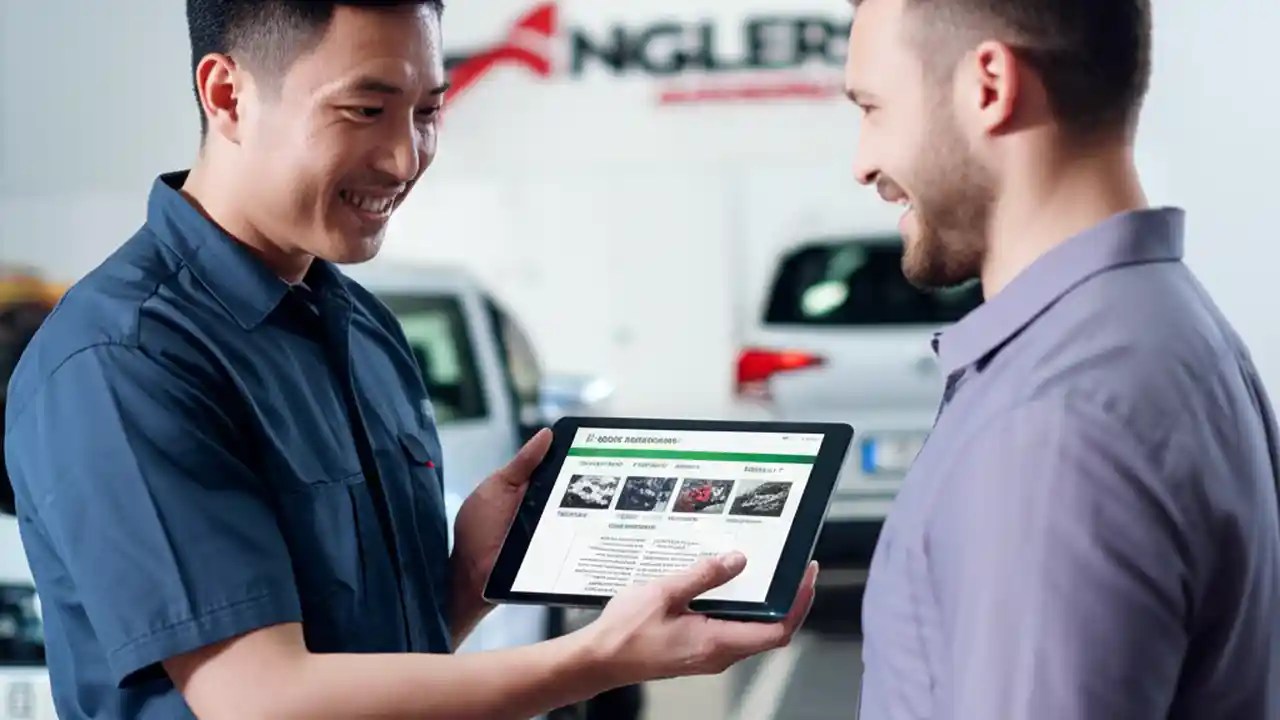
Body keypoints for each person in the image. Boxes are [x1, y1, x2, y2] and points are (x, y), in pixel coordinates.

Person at [1, 2, 818, 718]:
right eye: (365, 110)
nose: (405, 157)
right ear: (227, 95)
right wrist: (597, 660)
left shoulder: (363, 330)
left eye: (429, 110)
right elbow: (258, 700)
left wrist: (466, 581)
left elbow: (370, 655)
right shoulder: (125, 361)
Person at [843, 0, 1280, 718]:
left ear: (989, 85)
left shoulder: (1052, 425)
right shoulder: (1172, 327)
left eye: (873, 108)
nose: (862, 163)